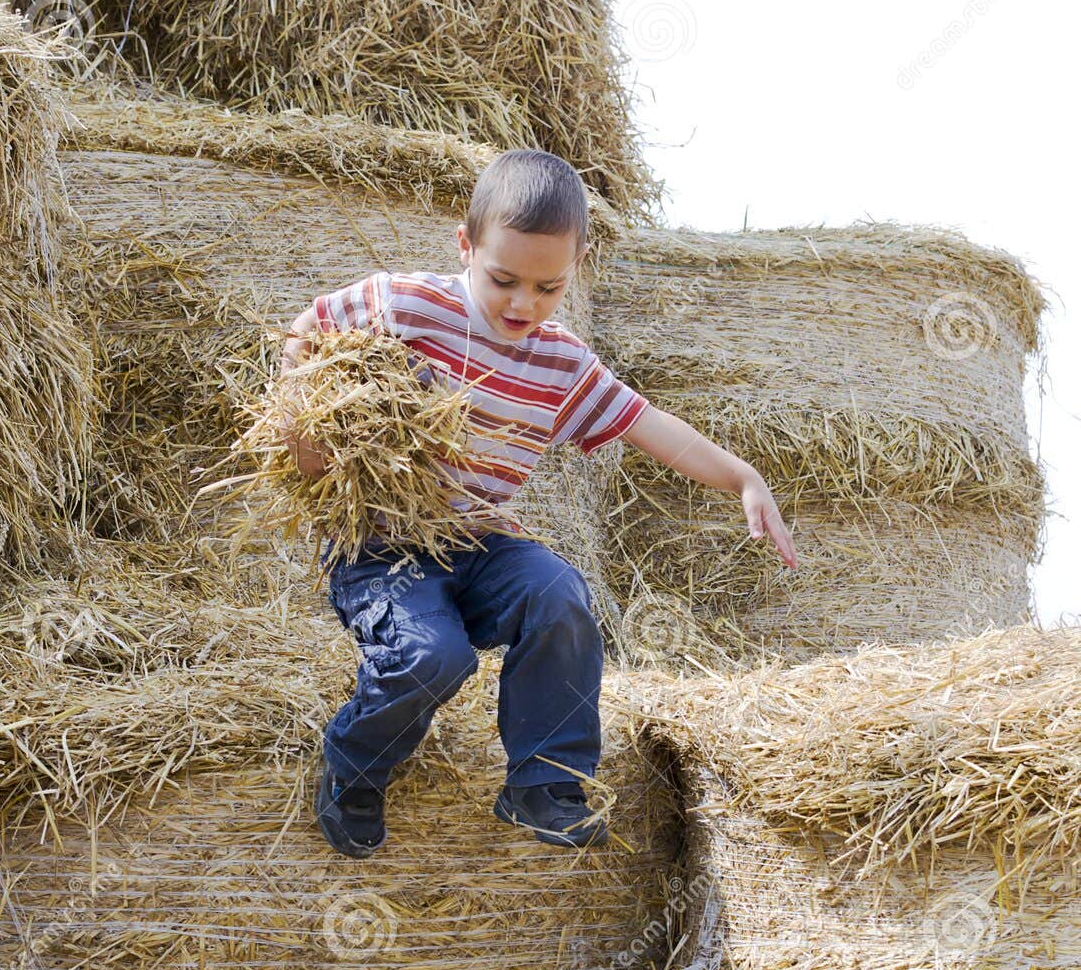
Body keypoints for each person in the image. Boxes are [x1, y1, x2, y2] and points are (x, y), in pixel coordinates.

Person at [281, 148, 797, 859]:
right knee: (435, 657)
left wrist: (740, 476)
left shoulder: (560, 362)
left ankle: (543, 784)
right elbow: (306, 334)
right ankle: (355, 766)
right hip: (381, 547)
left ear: (576, 266)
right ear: (466, 245)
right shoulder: (404, 304)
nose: (522, 304)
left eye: (547, 287)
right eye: (502, 280)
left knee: (558, 591)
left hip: (480, 544)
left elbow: (652, 429)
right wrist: (303, 426)